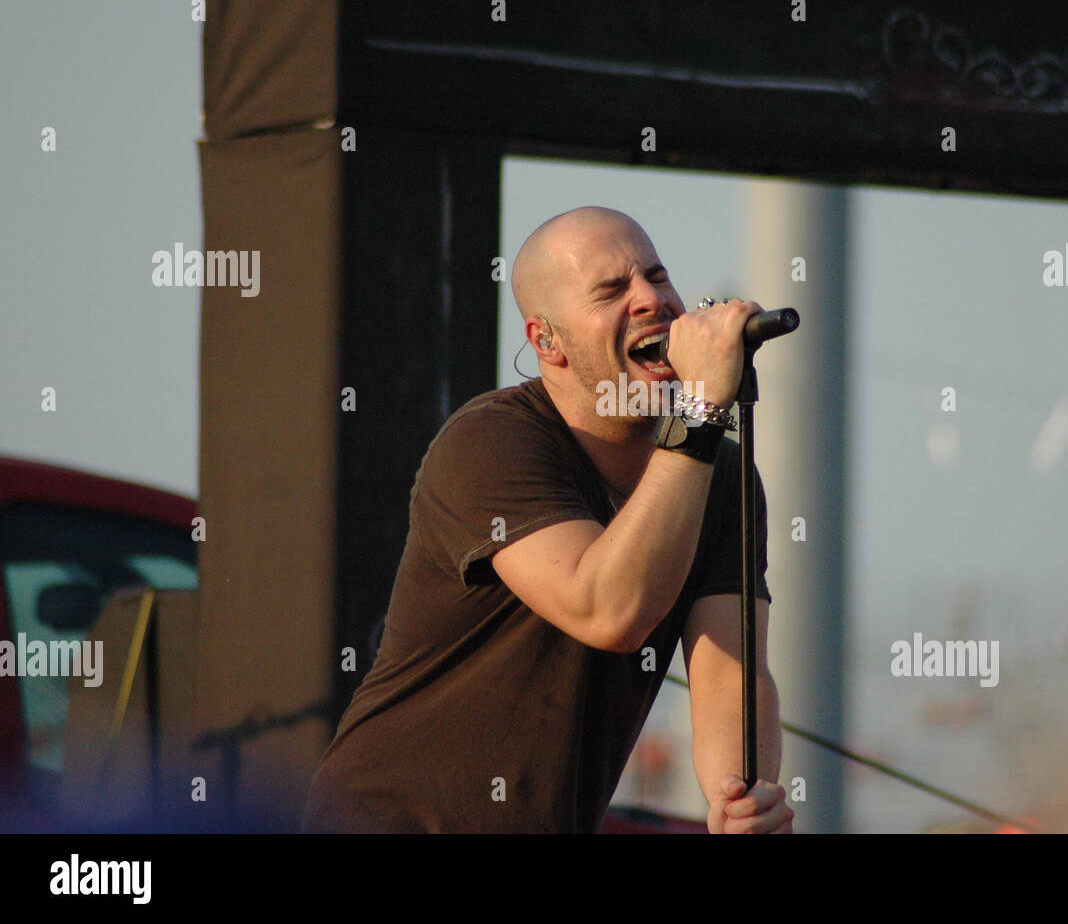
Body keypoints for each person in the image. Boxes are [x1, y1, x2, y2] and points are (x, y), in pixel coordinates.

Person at [302, 206, 794, 833]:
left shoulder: (716, 477)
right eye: (612, 290)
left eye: (656, 274)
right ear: (546, 342)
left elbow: (730, 668)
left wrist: (739, 796)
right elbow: (607, 609)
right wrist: (698, 414)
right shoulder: (490, 443)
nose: (650, 299)